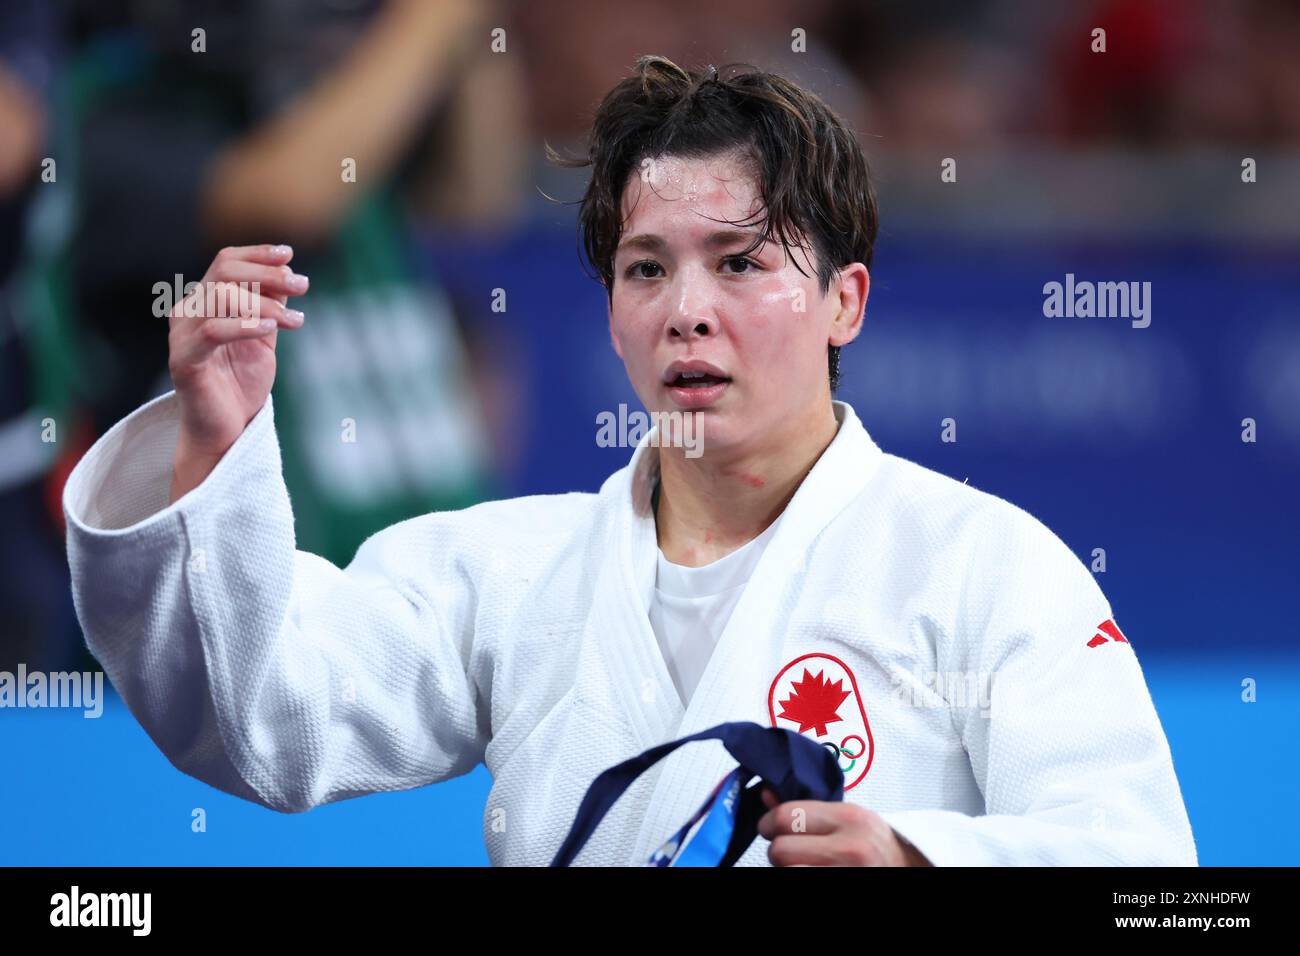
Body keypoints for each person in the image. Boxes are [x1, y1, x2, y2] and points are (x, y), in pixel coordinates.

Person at [62, 56, 1197, 867]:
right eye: (646, 269)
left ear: (844, 299)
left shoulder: (985, 565)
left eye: (741, 263)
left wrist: (918, 854)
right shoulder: (506, 571)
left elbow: (1153, 874)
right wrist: (212, 441)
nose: (686, 312)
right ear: (609, 312)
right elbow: (260, 721)